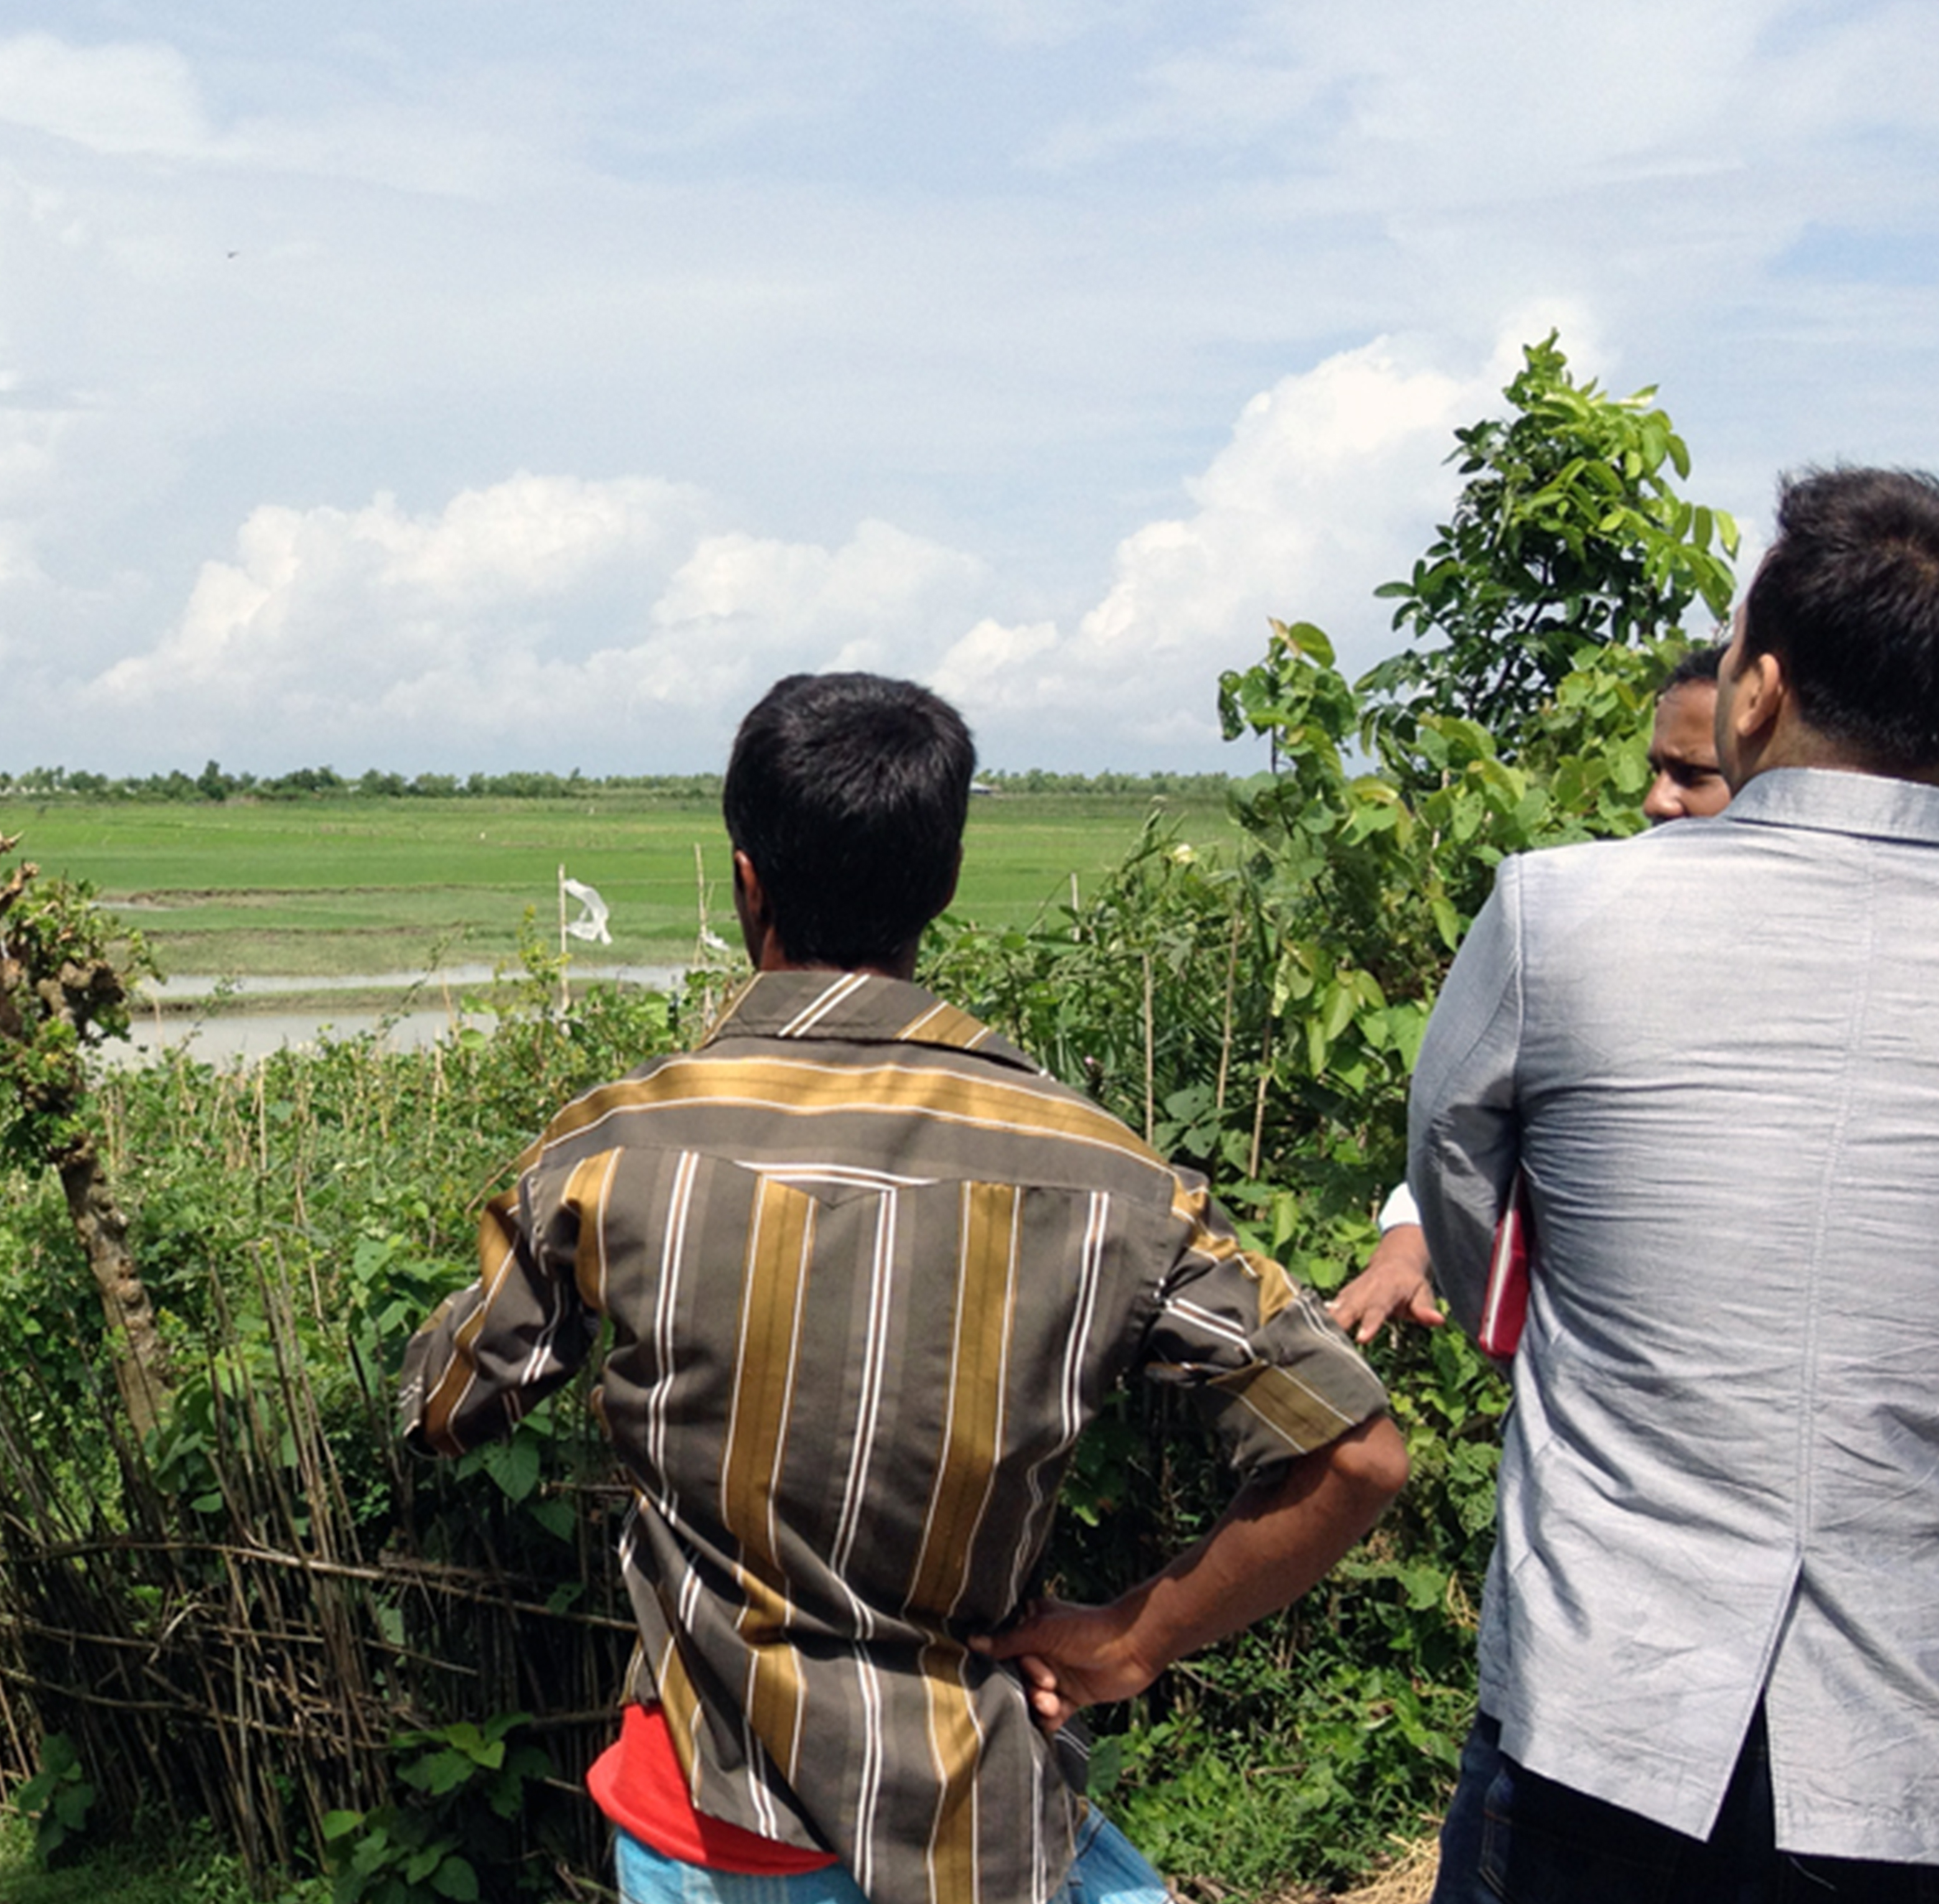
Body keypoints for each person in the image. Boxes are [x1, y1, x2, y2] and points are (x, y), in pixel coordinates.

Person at [399, 672, 1407, 1904]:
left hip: (709, 1820)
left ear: (748, 881)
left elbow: (448, 1407)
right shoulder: (1110, 1180)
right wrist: (1135, 1637)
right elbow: (1355, 1456)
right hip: (973, 1819)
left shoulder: (615, 1150)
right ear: (943, 879)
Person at [1407, 465, 1939, 1897]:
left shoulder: (1561, 910)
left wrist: (1555, 1321)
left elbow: (1460, 1193)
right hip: (1905, 1753)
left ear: (1756, 693)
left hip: (1603, 1706)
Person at [1327, 639, 1732, 1345]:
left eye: (1692, 776)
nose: (1655, 799)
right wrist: (1406, 1247)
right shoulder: (1588, 930)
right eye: (1655, 770)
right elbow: (1473, 1138)